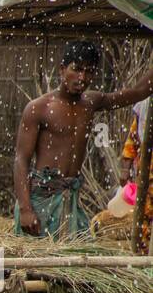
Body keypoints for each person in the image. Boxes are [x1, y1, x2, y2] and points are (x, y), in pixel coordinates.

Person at [14, 42, 153, 239]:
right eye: (77, 69)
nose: (82, 78)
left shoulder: (90, 103)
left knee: (71, 261)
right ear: (62, 69)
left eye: (89, 72)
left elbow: (139, 93)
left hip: (70, 199)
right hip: (41, 199)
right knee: (36, 260)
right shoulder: (39, 108)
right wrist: (26, 209)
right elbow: (21, 160)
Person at [119, 97, 152, 253]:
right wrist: (125, 168)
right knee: (143, 222)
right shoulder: (146, 106)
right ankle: (143, 262)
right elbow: (133, 140)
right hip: (146, 178)